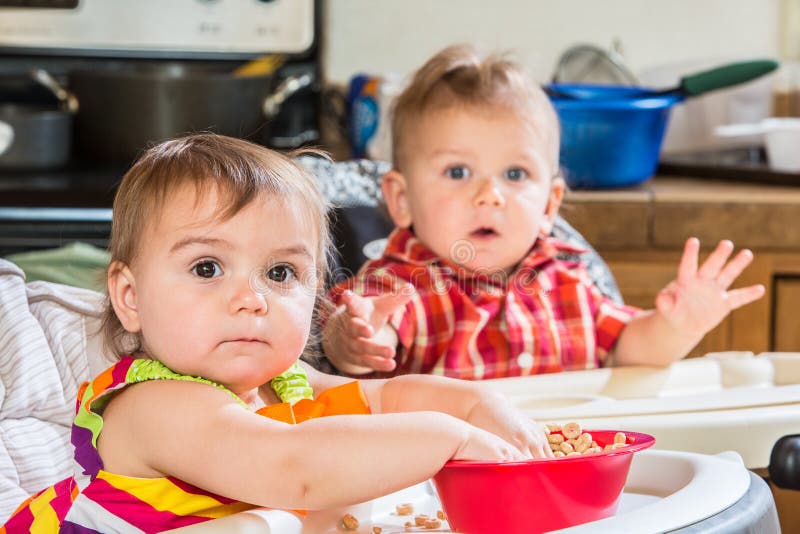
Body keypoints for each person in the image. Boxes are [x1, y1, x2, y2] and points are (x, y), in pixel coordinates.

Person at [1, 134, 552, 533]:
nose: (251, 298)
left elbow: (383, 397)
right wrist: (448, 438)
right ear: (130, 298)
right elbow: (293, 468)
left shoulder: (283, 383)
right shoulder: (152, 405)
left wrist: (475, 403)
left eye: (280, 273)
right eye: (207, 269)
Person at [322, 44, 765, 379]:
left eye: (514, 174)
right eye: (458, 171)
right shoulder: (402, 285)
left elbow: (630, 350)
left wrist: (677, 325)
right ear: (401, 200)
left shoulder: (570, 283)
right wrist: (354, 337)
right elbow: (365, 334)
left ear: (549, 204)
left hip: (569, 477)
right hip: (443, 493)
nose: (490, 194)